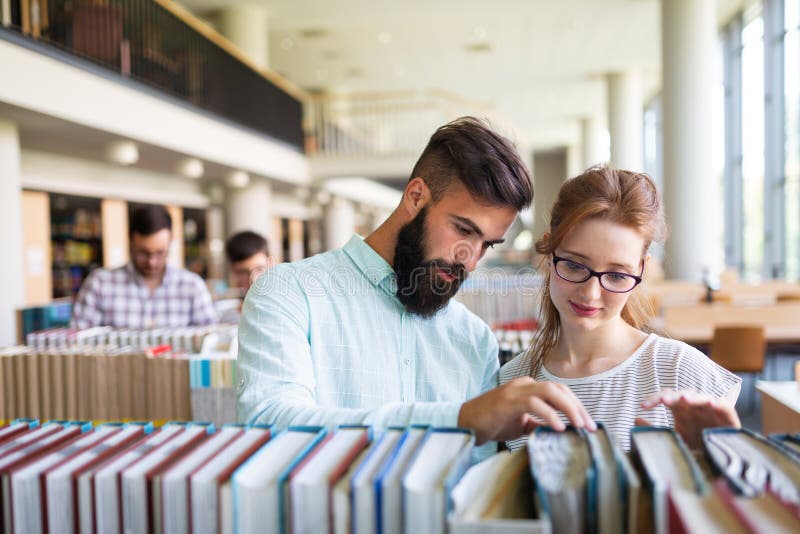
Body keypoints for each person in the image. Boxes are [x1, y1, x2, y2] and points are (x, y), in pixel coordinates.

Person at [238, 117, 595, 458]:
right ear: (415, 196)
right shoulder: (289, 293)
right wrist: (458, 420)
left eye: (486, 244)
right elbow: (271, 426)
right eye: (463, 230)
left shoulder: (475, 341)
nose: (470, 260)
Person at [499, 166, 741, 451]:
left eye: (616, 275)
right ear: (550, 254)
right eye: (574, 266)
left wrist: (710, 459)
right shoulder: (512, 382)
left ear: (641, 270)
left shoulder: (683, 373)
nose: (590, 293)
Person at [71, 205, 217, 329]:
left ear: (170, 241)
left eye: (160, 253)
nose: (152, 262)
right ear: (130, 241)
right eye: (143, 253)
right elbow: (78, 339)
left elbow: (210, 340)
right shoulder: (99, 284)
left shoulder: (192, 286)